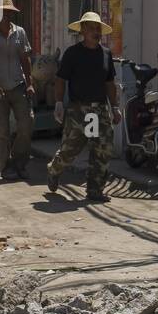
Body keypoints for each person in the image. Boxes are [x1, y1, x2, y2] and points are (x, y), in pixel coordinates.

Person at [47, 12, 122, 202]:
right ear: (82, 31)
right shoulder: (73, 53)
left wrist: (114, 107)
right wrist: (58, 103)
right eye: (91, 28)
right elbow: (61, 79)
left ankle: (95, 189)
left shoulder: (105, 54)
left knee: (101, 148)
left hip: (99, 111)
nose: (95, 32)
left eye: (97, 28)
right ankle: (54, 169)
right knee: (71, 149)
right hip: (79, 110)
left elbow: (109, 83)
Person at [0, 0, 35, 180]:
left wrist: (30, 83)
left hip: (18, 85)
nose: (6, 15)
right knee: (1, 129)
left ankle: (20, 163)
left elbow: (25, 59)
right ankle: (5, 166)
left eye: (9, 12)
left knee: (26, 124)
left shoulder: (20, 33)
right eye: (3, 12)